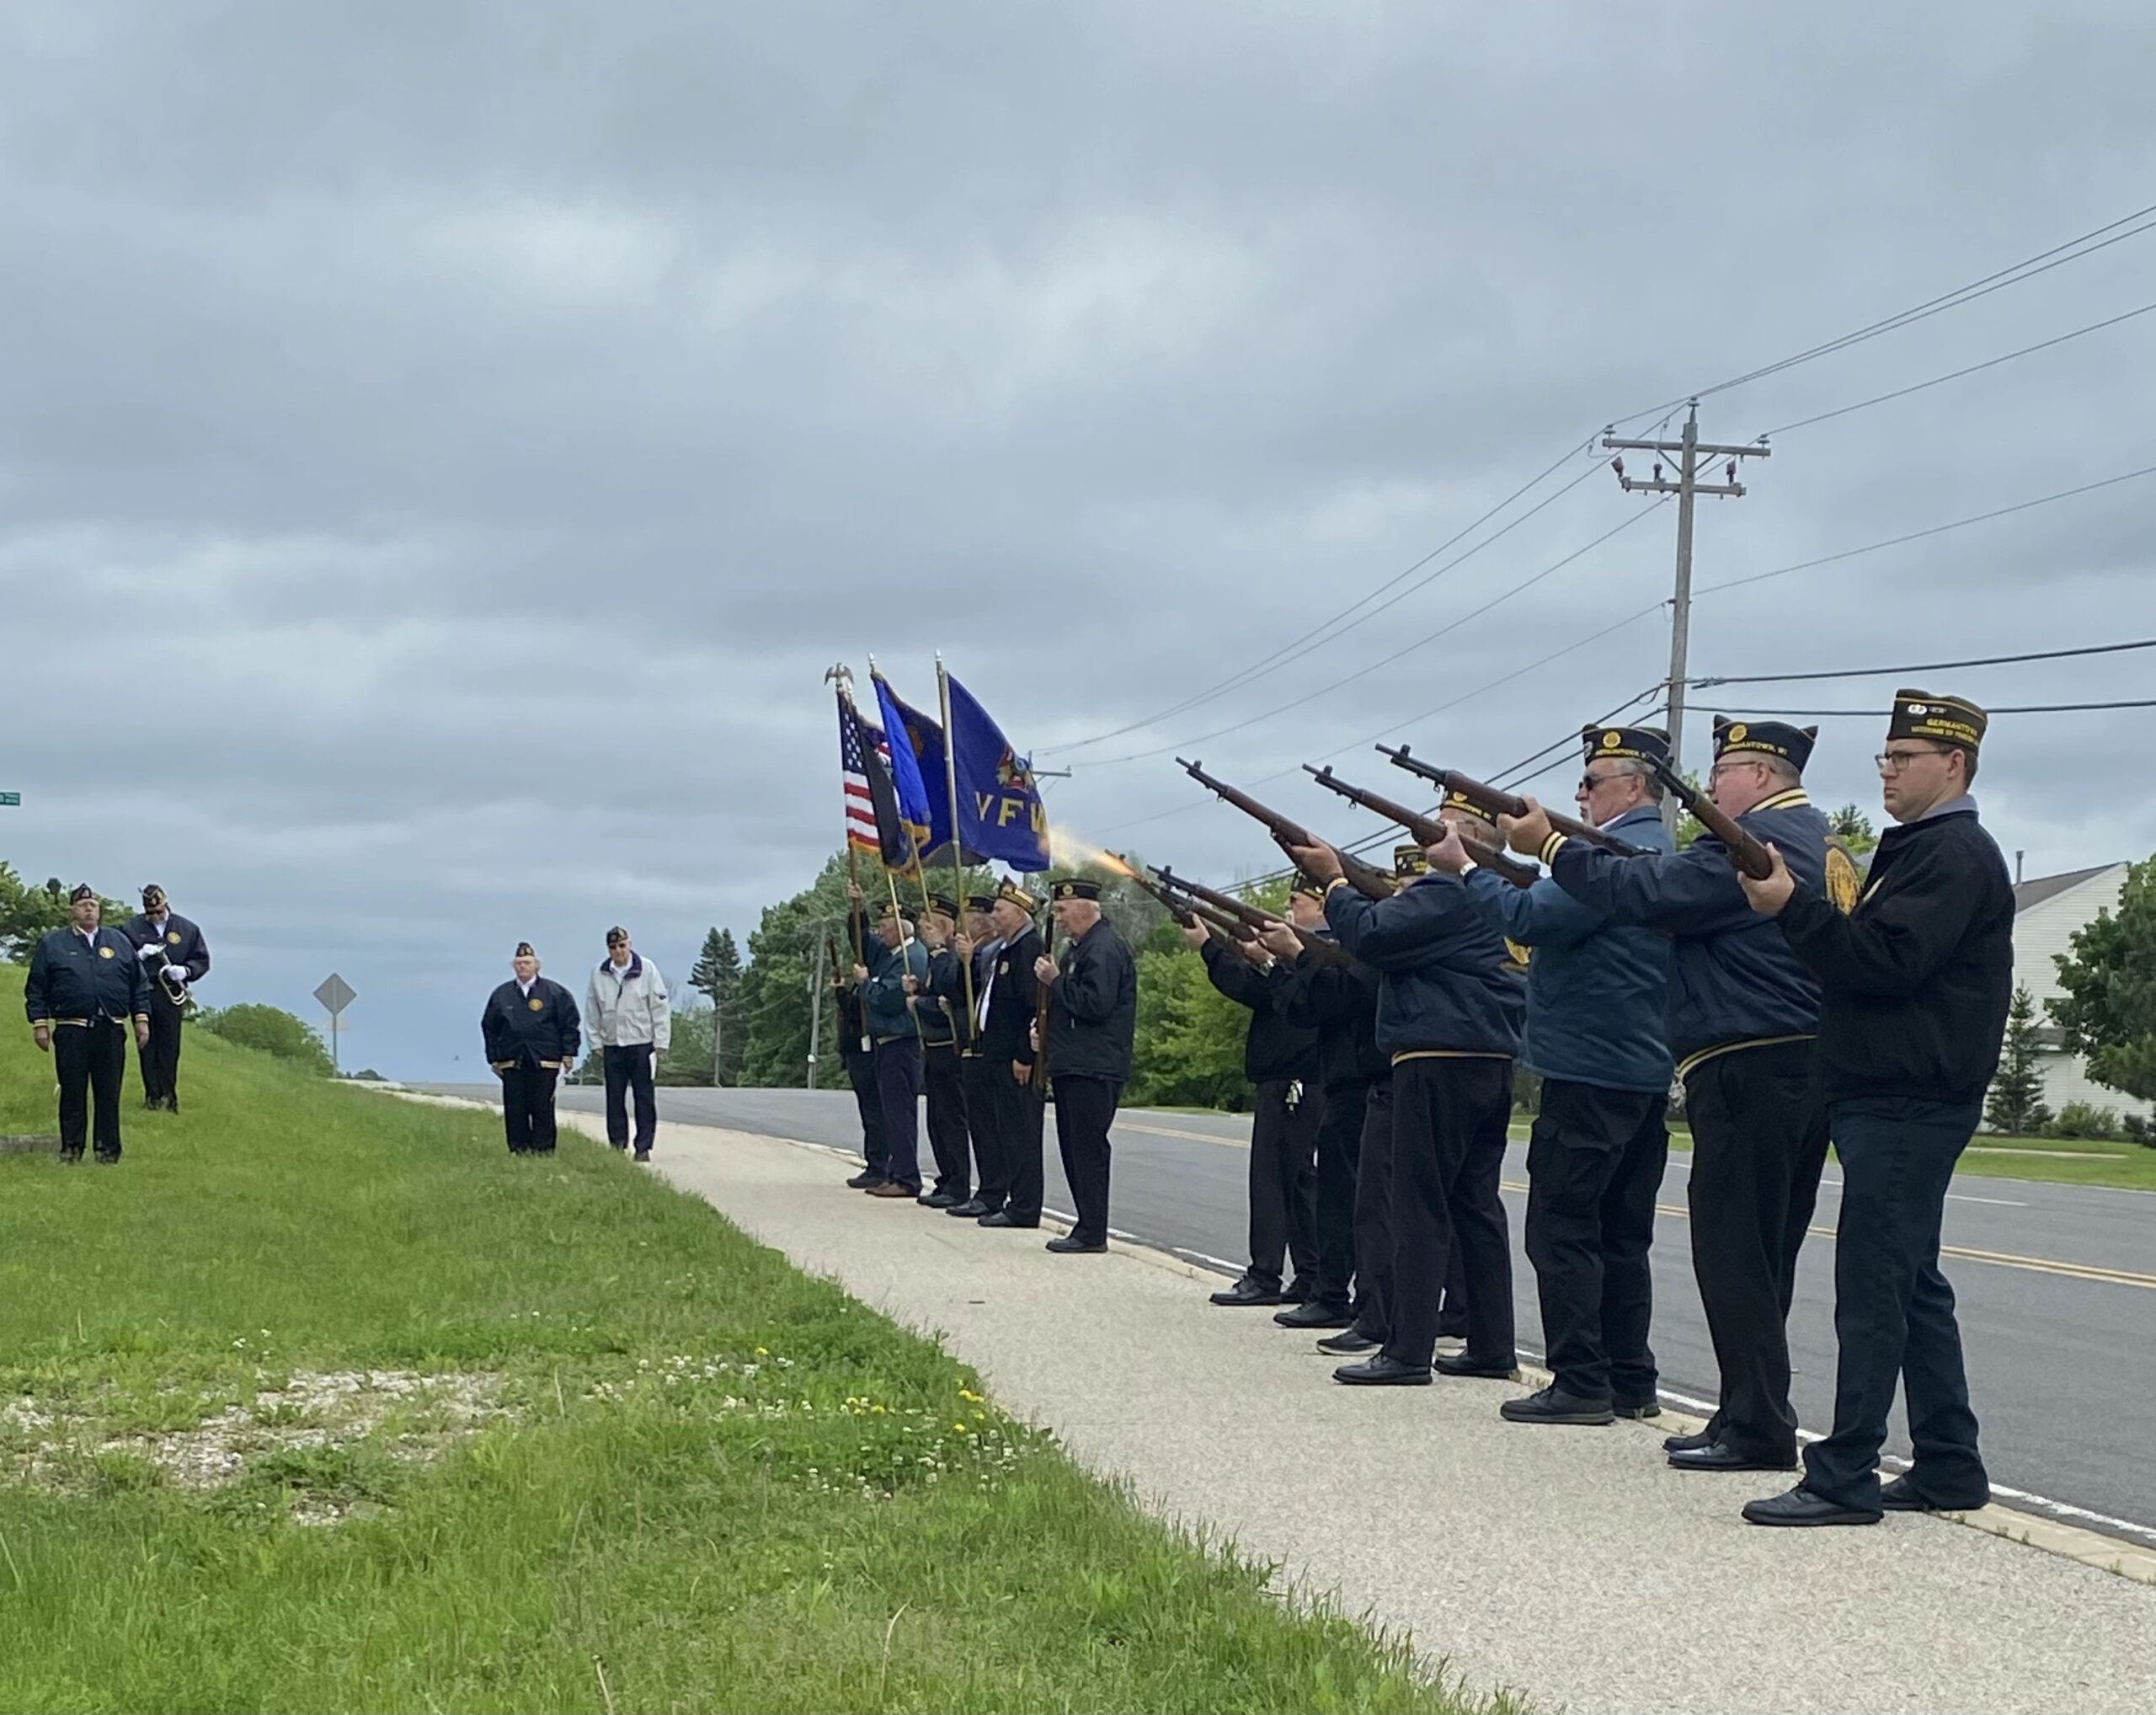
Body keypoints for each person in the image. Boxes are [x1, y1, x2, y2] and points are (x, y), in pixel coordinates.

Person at [1505, 717, 1837, 1474]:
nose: (1710, 786)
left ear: (1760, 776)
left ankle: (1758, 1426)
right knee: (1761, 1256)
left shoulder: (1763, 840)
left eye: (1722, 773)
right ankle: (1746, 1412)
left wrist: (1552, 848)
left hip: (1750, 1062)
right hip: (1790, 1063)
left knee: (1736, 1254)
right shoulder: (1820, 839)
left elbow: (1652, 891)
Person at [1737, 690, 2012, 1527]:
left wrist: (1793, 907)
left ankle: (1844, 1473)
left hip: (1908, 1099)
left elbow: (1884, 963)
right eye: (1884, 758)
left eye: (1903, 758)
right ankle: (1949, 1463)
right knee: (1911, 1282)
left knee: (1872, 1287)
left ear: (1953, 764)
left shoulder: (1953, 854)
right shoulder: (1921, 849)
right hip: (1887, 1094)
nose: (1887, 772)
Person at [1428, 729, 1675, 1425]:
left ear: (1634, 786)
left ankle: (1581, 1380)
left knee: (1562, 1228)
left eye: (1592, 782)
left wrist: (1466, 867)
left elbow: (1530, 917)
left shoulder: (1606, 857)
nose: (1580, 793)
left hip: (1588, 1067)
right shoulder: (1656, 852)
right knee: (1621, 1234)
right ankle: (1629, 1378)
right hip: (1639, 1069)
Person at [1292, 829, 1524, 1387]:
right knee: (1476, 1206)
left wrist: (1335, 881)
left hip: (1436, 1054)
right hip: (1490, 1055)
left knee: (1418, 1206)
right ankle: (1492, 1345)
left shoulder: (1446, 891)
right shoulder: (1495, 895)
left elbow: (1370, 937)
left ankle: (1408, 1350)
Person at [1191, 890, 1323, 1310]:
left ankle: (1266, 1274)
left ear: (1320, 906)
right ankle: (1310, 1276)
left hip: (1294, 1075)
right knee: (1296, 1182)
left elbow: (1262, 992)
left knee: (1273, 1179)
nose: (1288, 909)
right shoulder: (1300, 955)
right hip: (1288, 1075)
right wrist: (1216, 949)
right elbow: (1253, 987)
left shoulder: (1317, 954)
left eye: (1298, 901)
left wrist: (1216, 950)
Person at [1264, 880, 1385, 1333]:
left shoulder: (1357, 946)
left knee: (1356, 1201)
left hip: (1360, 1078)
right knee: (1337, 1195)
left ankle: (1348, 1299)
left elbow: (1345, 998)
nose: (1289, 908)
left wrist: (1300, 957)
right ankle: (1332, 1292)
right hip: (1341, 1077)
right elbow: (1302, 1011)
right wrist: (1275, 965)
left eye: (1297, 902)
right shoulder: (1331, 952)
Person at [1034, 878, 1136, 1254]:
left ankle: (1093, 1231)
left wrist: (1056, 981)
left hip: (1094, 1065)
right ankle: (1086, 1224)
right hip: (1074, 1062)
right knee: (1074, 1148)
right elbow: (1068, 1006)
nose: (1059, 918)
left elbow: (1096, 1005)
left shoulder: (1103, 949)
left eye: (1063, 910)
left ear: (1086, 907)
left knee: (1088, 1149)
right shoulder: (1079, 950)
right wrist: (1044, 1033)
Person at [25, 884, 152, 1164]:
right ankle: (71, 1149)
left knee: (109, 1093)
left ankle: (107, 1151)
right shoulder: (54, 944)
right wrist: (39, 1023)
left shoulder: (118, 942)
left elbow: (139, 984)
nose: (89, 909)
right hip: (72, 1028)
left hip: (110, 1028)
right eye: (83, 905)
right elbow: (37, 987)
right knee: (72, 1091)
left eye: (93, 905)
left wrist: (141, 1018)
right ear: (72, 910)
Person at [975, 879, 1047, 1228]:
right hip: (997, 1057)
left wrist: (1024, 1055)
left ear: (1019, 914)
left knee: (1022, 1134)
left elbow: (1033, 1008)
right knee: (1007, 1133)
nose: (994, 915)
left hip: (1016, 1061)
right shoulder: (1006, 950)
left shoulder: (1029, 949)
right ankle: (1012, 1200)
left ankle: (1024, 1207)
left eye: (1000, 910)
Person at [851, 886, 929, 1199]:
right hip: (887, 1043)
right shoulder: (891, 955)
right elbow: (860, 940)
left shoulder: (911, 958)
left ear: (900, 928)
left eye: (884, 927)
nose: (880, 932)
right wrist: (857, 909)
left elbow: (890, 999)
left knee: (900, 1114)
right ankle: (896, 1173)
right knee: (892, 1113)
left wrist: (865, 985)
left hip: (901, 1043)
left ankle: (907, 1177)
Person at [482, 942, 583, 1155]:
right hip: (512, 1058)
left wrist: (568, 1053)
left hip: (545, 1058)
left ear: (537, 965)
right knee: (515, 1107)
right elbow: (490, 1026)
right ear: (514, 966)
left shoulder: (555, 993)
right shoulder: (502, 995)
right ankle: (518, 1149)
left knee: (542, 1106)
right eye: (519, 963)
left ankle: (543, 1150)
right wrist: (494, 1057)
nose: (523, 967)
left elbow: (569, 1023)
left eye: (527, 963)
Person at [908, 893, 974, 1208]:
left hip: (950, 1046)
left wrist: (920, 1003)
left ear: (944, 927)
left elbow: (949, 997)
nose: (923, 929)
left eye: (928, 924)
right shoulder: (936, 957)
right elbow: (936, 996)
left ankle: (958, 1183)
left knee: (951, 1119)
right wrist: (919, 991)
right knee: (936, 1119)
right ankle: (946, 1178)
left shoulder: (949, 955)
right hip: (933, 1047)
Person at [943, 892, 1006, 1220]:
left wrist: (969, 961)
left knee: (988, 1126)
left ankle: (993, 1190)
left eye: (966, 919)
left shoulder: (991, 951)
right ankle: (987, 1188)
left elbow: (982, 988)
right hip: (968, 1042)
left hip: (987, 1046)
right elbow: (955, 990)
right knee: (979, 1125)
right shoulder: (973, 951)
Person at [584, 926, 670, 1161]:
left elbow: (659, 1008)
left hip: (642, 1044)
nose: (618, 951)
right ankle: (617, 1144)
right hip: (613, 1045)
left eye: (622, 945)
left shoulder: (647, 970)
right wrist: (595, 1042)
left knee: (644, 1098)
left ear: (629, 945)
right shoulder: (599, 974)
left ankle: (643, 1147)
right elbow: (592, 1010)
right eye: (613, 947)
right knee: (614, 1098)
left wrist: (661, 1042)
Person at [121, 884, 209, 1113]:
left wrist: (186, 971)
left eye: (158, 911)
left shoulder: (187, 929)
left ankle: (169, 1096)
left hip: (170, 995)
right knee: (147, 1045)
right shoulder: (131, 928)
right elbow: (121, 962)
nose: (155, 916)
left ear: (165, 903)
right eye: (150, 912)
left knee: (170, 1047)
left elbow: (201, 959)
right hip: (143, 993)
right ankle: (152, 1096)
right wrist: (139, 955)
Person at [834, 945, 890, 1189]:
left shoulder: (874, 981)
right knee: (869, 1113)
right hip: (856, 1051)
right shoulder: (864, 984)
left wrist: (843, 992)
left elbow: (859, 1009)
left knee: (875, 1113)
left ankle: (879, 1165)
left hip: (867, 1053)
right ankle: (875, 1163)